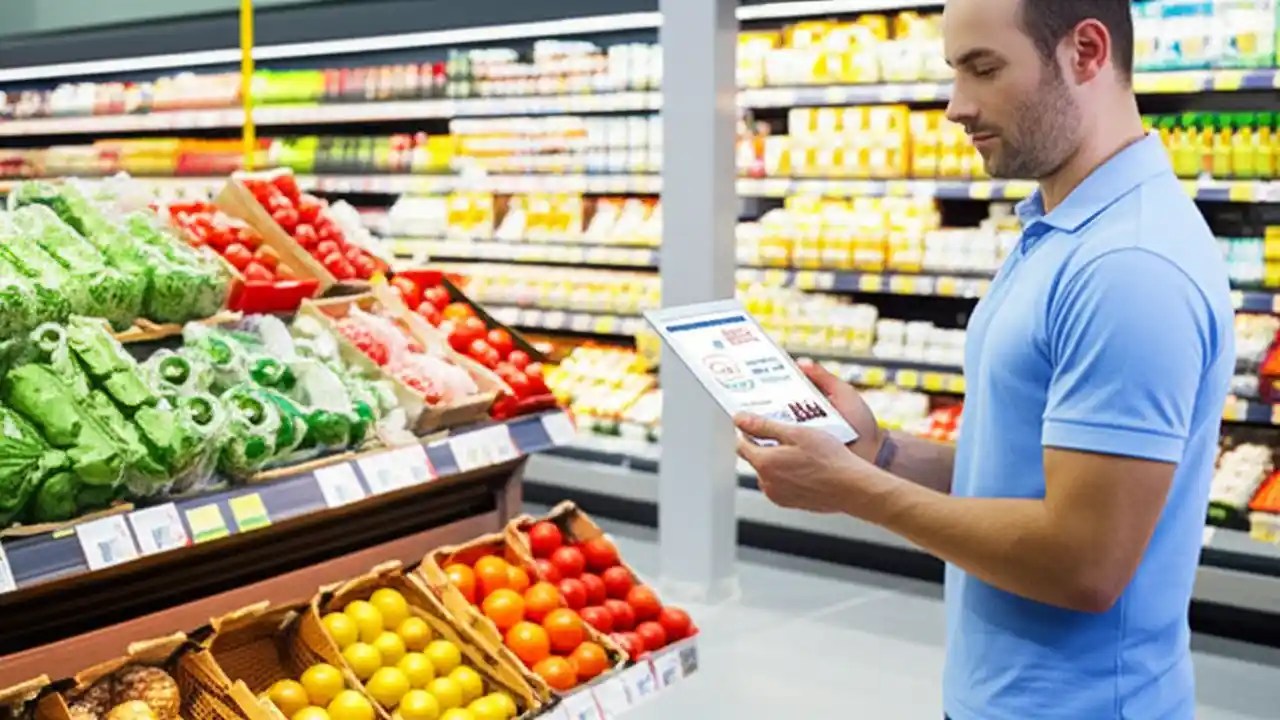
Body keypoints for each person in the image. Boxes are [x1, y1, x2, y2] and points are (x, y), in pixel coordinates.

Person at [732, 1, 1234, 718]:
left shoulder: (1130, 265)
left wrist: (854, 491)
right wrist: (879, 454)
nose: (954, 107)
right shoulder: (1060, 231)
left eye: (984, 69)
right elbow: (1030, 476)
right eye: (954, 72)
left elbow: (1082, 563)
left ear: (1086, 53)